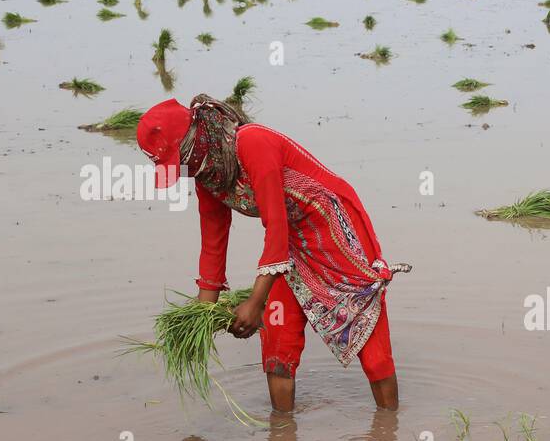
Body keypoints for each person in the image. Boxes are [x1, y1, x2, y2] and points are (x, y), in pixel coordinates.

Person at [136, 96, 407, 412]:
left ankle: (389, 436)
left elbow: (275, 227)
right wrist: (203, 316)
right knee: (278, 348)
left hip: (334, 230)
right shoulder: (208, 178)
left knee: (370, 346)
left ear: (196, 137)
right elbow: (212, 246)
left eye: (181, 159)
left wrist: (255, 301)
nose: (183, 171)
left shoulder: (252, 143)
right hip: (291, 245)